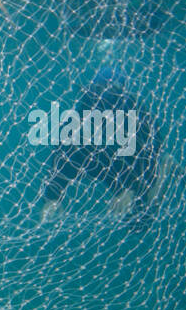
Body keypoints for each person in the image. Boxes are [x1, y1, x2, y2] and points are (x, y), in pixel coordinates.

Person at [38, 66, 172, 226]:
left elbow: (149, 146)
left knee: (141, 219)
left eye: (109, 90)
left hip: (129, 165)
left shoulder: (131, 109)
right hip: (102, 163)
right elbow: (65, 150)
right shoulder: (87, 107)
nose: (104, 96)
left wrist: (130, 186)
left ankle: (166, 167)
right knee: (138, 217)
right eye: (100, 89)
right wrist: (53, 196)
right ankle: (146, 184)